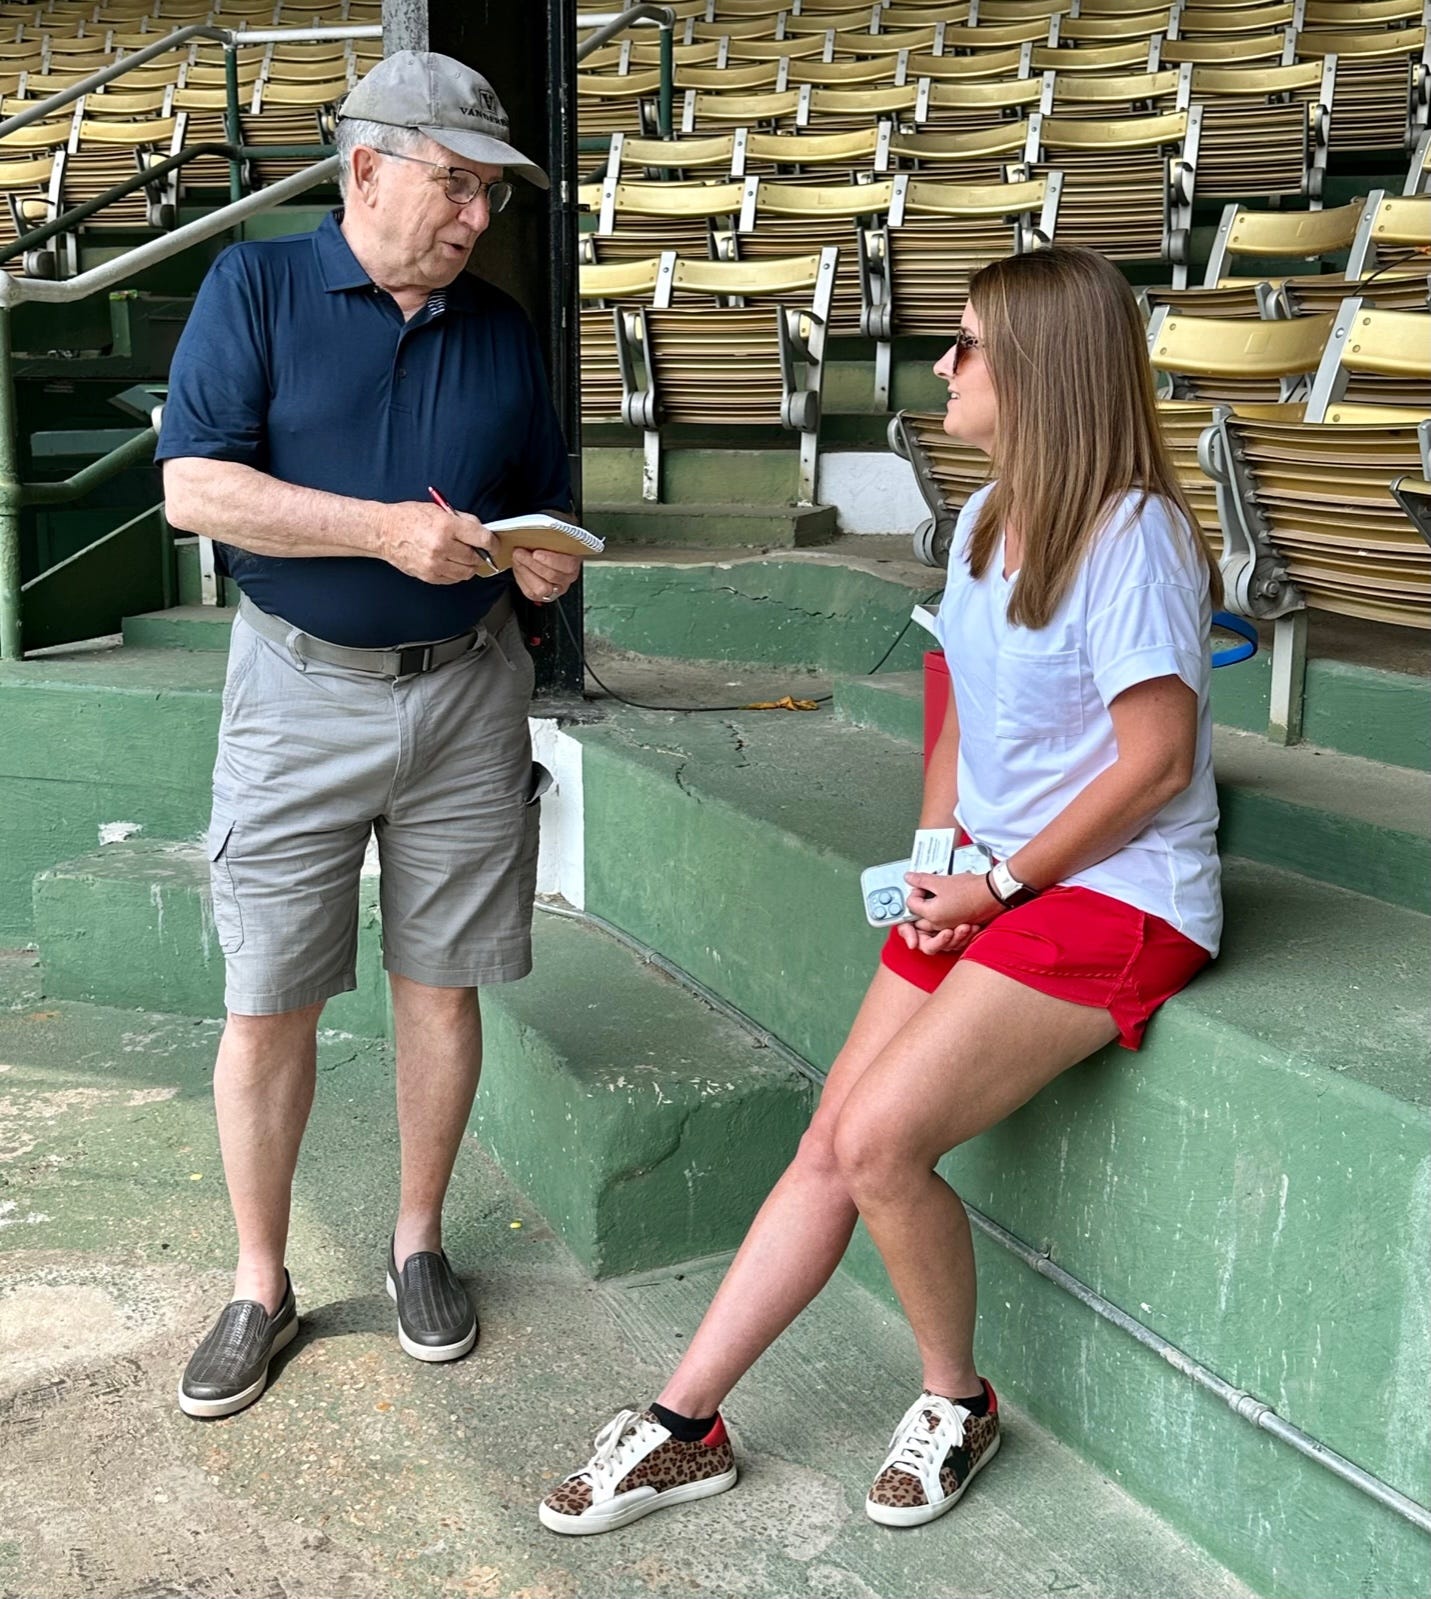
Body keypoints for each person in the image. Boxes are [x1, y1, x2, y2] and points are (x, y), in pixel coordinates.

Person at [538, 246, 1223, 1535]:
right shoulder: (981, 519)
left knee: (875, 1143)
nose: (942, 368)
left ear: (1041, 374)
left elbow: (1159, 762)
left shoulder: (1135, 533)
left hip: (1118, 896)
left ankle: (955, 1400)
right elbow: (956, 697)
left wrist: (1005, 878)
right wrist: (938, 855)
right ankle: (687, 1422)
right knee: (827, 1144)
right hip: (997, 882)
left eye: (964, 346)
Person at [158, 51, 584, 1420]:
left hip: (465, 689)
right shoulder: (258, 286)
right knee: (268, 993)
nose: (473, 219)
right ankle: (260, 1279)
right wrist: (380, 529)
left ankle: (416, 1244)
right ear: (367, 171)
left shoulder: (505, 327)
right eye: (453, 187)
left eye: (487, 197)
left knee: (440, 983)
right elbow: (193, 491)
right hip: (295, 688)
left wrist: (539, 566)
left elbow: (534, 502)